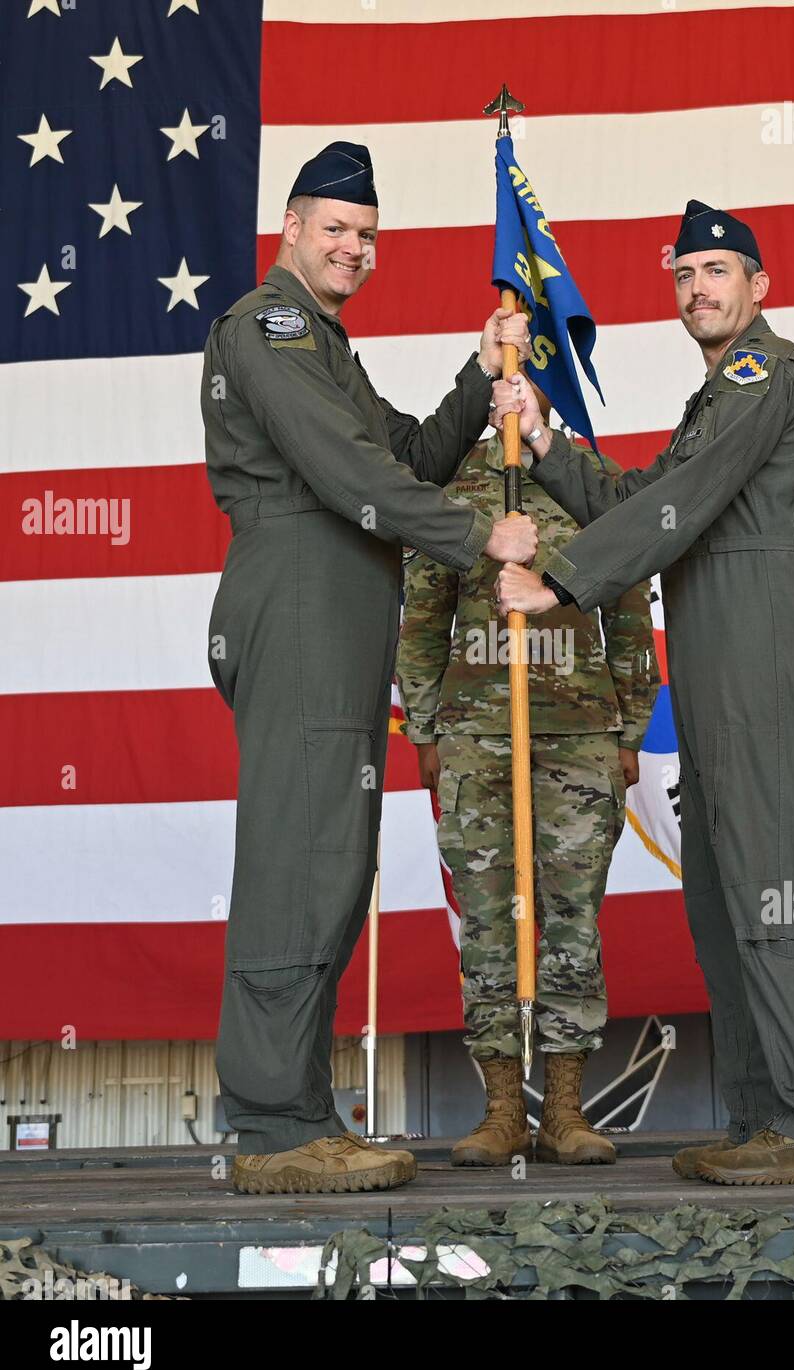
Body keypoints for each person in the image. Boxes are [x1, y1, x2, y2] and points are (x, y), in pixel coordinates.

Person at [491, 200, 794, 1186]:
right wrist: (541, 446)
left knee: (777, 879)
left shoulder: (763, 373)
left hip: (763, 643)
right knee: (723, 889)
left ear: (758, 286)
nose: (698, 288)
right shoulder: (715, 400)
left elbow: (674, 506)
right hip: (714, 651)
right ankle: (763, 1121)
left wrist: (562, 579)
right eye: (684, 273)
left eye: (717, 270)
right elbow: (644, 498)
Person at [200, 141, 537, 1195]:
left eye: (366, 235)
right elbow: (346, 470)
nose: (353, 247)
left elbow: (399, 450)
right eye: (334, 228)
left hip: (335, 608)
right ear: (289, 230)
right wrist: (478, 538)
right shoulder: (270, 326)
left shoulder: (324, 347)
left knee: (332, 867)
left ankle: (300, 1110)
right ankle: (265, 1120)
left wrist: (477, 375)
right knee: (298, 859)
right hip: (299, 595)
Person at [397, 375, 659, 1166]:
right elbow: (421, 617)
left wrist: (630, 727)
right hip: (477, 735)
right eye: (502, 386)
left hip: (580, 733)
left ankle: (567, 1114)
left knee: (571, 921)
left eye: (527, 388)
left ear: (544, 401)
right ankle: (502, 1110)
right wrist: (426, 726)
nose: (514, 400)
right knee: (487, 924)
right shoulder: (453, 490)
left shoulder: (590, 481)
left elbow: (631, 614)